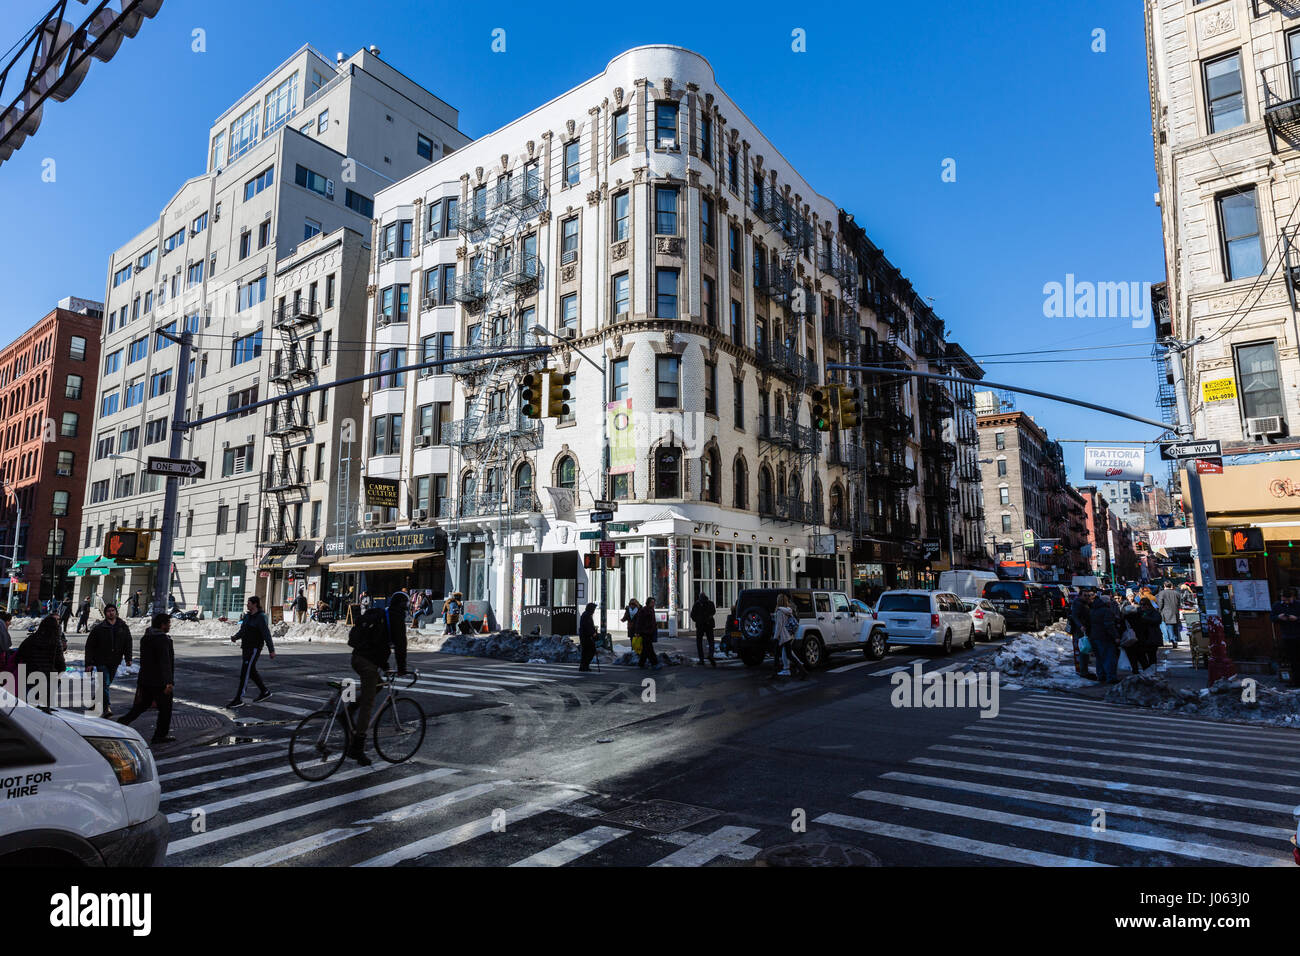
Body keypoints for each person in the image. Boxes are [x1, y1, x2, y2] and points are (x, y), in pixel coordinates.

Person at [346, 590, 410, 766]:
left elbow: (378, 644)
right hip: (367, 662)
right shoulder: (396, 619)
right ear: (404, 606)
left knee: (379, 685)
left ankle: (351, 709)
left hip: (358, 657)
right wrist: (402, 668)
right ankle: (357, 746)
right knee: (369, 702)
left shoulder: (384, 613)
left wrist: (386, 666)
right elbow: (400, 646)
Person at [117, 613, 175, 745]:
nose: (170, 625)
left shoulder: (146, 637)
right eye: (168, 623)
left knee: (142, 705)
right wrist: (169, 682)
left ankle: (124, 721)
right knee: (165, 709)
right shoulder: (162, 639)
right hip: (160, 681)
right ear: (163, 625)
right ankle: (160, 735)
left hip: (146, 678)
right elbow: (165, 662)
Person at [84, 603, 133, 717]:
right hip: (101, 660)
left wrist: (128, 658)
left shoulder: (123, 626)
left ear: (116, 612)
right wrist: (89, 663)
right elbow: (90, 646)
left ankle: (95, 702)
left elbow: (128, 643)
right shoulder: (99, 628)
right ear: (105, 614)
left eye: (113, 610)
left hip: (115, 660)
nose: (111, 613)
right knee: (105, 684)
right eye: (108, 611)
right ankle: (106, 708)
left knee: (105, 684)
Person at [226, 595, 275, 708]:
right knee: (251, 671)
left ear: (255, 604)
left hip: (254, 648)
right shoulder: (247, 616)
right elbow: (243, 630)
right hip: (246, 647)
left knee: (245, 673)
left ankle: (239, 699)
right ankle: (264, 691)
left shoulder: (261, 617)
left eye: (249, 603)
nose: (247, 605)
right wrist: (235, 637)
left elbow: (266, 634)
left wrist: (271, 650)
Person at [15, 616, 65, 705]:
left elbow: (19, 655)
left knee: (29, 706)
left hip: (30, 676)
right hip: (49, 678)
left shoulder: (31, 639)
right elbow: (60, 662)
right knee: (44, 706)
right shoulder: (55, 642)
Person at [1088, 590, 1121, 683]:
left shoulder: (1093, 610)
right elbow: (1109, 625)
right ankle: (1111, 677)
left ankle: (1101, 675)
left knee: (1099, 658)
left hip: (1094, 637)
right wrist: (1116, 636)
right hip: (1105, 637)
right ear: (1107, 603)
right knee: (1109, 658)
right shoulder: (1106, 611)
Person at [771, 593, 806, 679]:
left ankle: (801, 670)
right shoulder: (788, 610)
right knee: (787, 654)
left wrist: (775, 637)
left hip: (783, 636)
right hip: (789, 635)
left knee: (783, 654)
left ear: (778, 601)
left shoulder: (779, 611)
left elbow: (779, 625)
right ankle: (800, 669)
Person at [1271, 587, 1300, 687]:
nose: (1286, 602)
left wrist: (1296, 619)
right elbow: (1272, 618)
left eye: (1288, 600)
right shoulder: (1277, 605)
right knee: (1292, 660)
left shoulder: (1298, 605)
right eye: (1284, 600)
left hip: (1298, 634)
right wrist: (1278, 617)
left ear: (1293, 597)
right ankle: (1295, 681)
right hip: (1287, 636)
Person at [1068, 588, 1095, 679]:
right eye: (1085, 595)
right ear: (1080, 596)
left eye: (1088, 595)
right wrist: (1080, 626)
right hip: (1080, 631)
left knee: (1085, 650)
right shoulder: (1078, 604)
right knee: (1083, 650)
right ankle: (1083, 671)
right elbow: (1075, 617)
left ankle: (1084, 669)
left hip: (1085, 630)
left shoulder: (1086, 604)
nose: (1087, 597)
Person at [690, 591, 717, 667]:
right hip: (709, 625)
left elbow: (692, 615)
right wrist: (708, 617)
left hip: (700, 625)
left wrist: (698, 620)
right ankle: (711, 655)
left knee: (699, 642)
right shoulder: (710, 603)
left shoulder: (697, 604)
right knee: (711, 641)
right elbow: (713, 612)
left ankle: (701, 659)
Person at [636, 597, 660, 669]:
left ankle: (641, 663)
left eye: (654, 602)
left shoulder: (651, 610)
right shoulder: (644, 610)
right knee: (649, 648)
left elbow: (653, 621)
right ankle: (654, 662)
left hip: (650, 632)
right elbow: (639, 621)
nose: (653, 604)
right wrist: (637, 632)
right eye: (652, 602)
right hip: (645, 632)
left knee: (645, 649)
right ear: (648, 603)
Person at [1156, 583, 1182, 648]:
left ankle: (1173, 640)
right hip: (1175, 612)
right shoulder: (1177, 593)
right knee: (1175, 627)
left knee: (1170, 627)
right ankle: (1175, 640)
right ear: (1171, 586)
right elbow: (1179, 603)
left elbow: (1160, 604)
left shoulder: (1162, 593)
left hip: (1166, 613)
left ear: (1164, 586)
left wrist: (1159, 611)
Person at [578, 602, 598, 672]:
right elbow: (587, 627)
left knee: (586, 652)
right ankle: (585, 665)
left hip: (585, 636)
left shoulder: (587, 614)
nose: (594, 611)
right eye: (593, 609)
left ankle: (583, 666)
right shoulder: (586, 615)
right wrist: (593, 633)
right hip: (586, 637)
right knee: (590, 651)